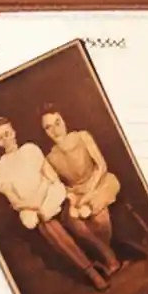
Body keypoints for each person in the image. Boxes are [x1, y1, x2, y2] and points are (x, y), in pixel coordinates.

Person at [0, 117, 110, 291]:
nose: (7, 138)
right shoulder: (0, 167)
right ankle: (91, 271)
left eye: (8, 133)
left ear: (14, 132)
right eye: (2, 137)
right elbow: (13, 199)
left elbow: (50, 176)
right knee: (47, 224)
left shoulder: (30, 149)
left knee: (68, 220)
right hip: (29, 206)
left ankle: (103, 258)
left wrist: (46, 196)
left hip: (49, 193)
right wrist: (34, 206)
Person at [40, 104, 123, 276]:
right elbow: (60, 185)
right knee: (74, 218)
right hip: (77, 193)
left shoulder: (82, 136)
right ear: (45, 132)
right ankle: (109, 257)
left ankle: (109, 257)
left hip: (99, 182)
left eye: (57, 122)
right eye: (48, 127)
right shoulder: (50, 157)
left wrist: (90, 193)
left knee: (95, 214)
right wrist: (72, 198)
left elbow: (101, 165)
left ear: (64, 120)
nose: (55, 130)